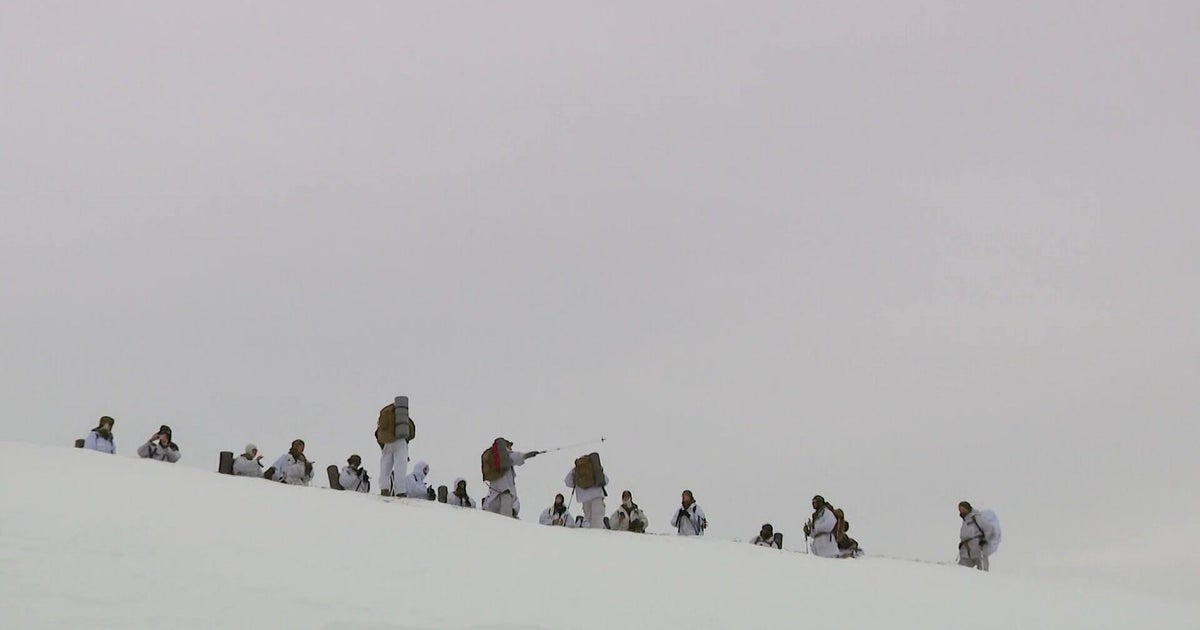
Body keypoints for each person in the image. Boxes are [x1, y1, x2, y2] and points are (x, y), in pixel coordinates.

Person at [482, 438, 540, 518]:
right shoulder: (504, 455)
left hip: (494, 492)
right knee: (506, 518)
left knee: (493, 516)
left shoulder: (493, 457)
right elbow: (515, 457)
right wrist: (527, 455)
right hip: (506, 491)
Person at [377, 396, 413, 497]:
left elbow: (378, 432)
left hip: (387, 443)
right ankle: (400, 491)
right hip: (400, 441)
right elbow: (411, 431)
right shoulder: (402, 416)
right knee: (400, 466)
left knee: (385, 466)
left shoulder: (385, 414)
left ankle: (384, 488)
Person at [564, 462, 609, 530]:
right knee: (597, 518)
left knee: (589, 519)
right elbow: (606, 481)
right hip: (597, 495)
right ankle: (597, 536)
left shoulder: (576, 471)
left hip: (584, 497)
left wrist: (575, 472)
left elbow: (568, 482)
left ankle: (593, 535)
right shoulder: (594, 468)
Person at [958, 501, 997, 571]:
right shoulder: (965, 521)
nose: (961, 511)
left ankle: (984, 581)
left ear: (967, 508)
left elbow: (989, 528)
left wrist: (985, 539)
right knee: (961, 570)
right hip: (965, 550)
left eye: (962, 509)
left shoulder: (976, 517)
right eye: (960, 510)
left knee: (982, 569)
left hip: (978, 547)